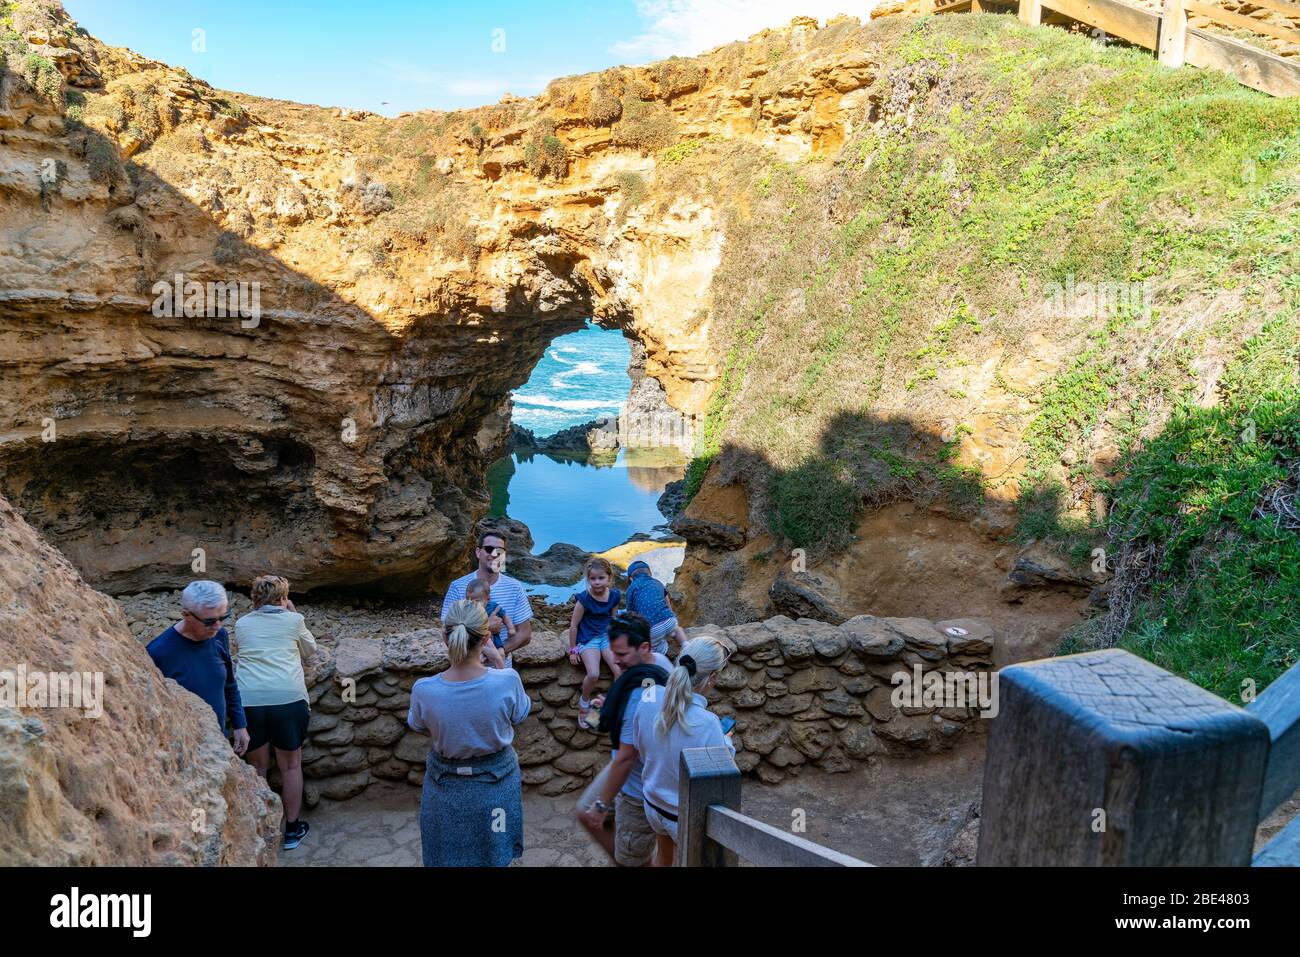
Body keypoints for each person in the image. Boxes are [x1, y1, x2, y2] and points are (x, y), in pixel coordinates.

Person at [407, 599, 531, 867]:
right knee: (495, 853)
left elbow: (416, 724)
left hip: (445, 788)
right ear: (486, 637)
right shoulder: (507, 680)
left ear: (445, 637)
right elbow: (520, 714)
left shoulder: (424, 690)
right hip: (496, 786)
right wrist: (499, 660)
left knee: (447, 856)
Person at [575, 612, 671, 867]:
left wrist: (602, 803)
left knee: (632, 858)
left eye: (621, 655)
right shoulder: (660, 665)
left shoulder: (642, 692)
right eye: (613, 653)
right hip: (629, 769)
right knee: (586, 815)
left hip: (636, 786)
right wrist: (611, 706)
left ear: (644, 647)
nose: (615, 662)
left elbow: (628, 757)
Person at [632, 636, 735, 867]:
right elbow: (722, 771)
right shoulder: (707, 723)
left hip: (653, 804)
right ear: (711, 678)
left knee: (664, 857)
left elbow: (641, 747)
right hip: (683, 815)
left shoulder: (650, 696)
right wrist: (727, 742)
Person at [233, 575, 318, 850]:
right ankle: (292, 830)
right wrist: (294, 614)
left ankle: (260, 829)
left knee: (257, 766)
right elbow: (310, 650)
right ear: (283, 598)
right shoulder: (293, 620)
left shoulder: (241, 624)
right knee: (290, 765)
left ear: (255, 599)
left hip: (250, 701)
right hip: (287, 699)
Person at [146, 580, 249, 757]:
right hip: (184, 748)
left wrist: (240, 725)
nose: (218, 626)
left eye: (223, 617)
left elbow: (229, 684)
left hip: (219, 741)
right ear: (187, 615)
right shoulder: (158, 652)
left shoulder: (219, 636)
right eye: (209, 621)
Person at [441, 531, 532, 668]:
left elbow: (525, 634)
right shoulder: (458, 587)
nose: (494, 554)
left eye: (499, 551)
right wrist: (485, 627)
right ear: (478, 552)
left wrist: (497, 653)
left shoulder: (514, 587)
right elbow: (447, 632)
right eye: (489, 549)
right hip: (466, 670)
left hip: (501, 673)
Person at [567, 557, 623, 728]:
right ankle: (584, 704)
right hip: (588, 639)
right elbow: (573, 626)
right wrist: (573, 650)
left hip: (606, 637)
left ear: (609, 579)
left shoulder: (614, 596)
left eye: (601, 578)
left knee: (620, 672)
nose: (597, 582)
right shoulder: (584, 599)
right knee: (593, 674)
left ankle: (609, 704)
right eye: (593, 579)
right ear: (588, 579)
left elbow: (614, 620)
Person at [623, 559, 688, 656]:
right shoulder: (657, 582)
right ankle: (686, 645)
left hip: (652, 629)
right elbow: (667, 602)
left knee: (651, 646)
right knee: (677, 629)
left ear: (631, 579)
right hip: (669, 620)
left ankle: (663, 649)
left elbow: (630, 613)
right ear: (650, 573)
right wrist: (671, 615)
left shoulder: (631, 588)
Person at [466, 576, 515, 662]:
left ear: (487, 598)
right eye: (468, 600)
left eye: (476, 601)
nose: (471, 603)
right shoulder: (467, 609)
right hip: (478, 640)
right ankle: (482, 669)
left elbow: (504, 616)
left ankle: (501, 671)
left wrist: (510, 628)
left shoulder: (492, 606)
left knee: (501, 654)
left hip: (494, 637)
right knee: (479, 658)